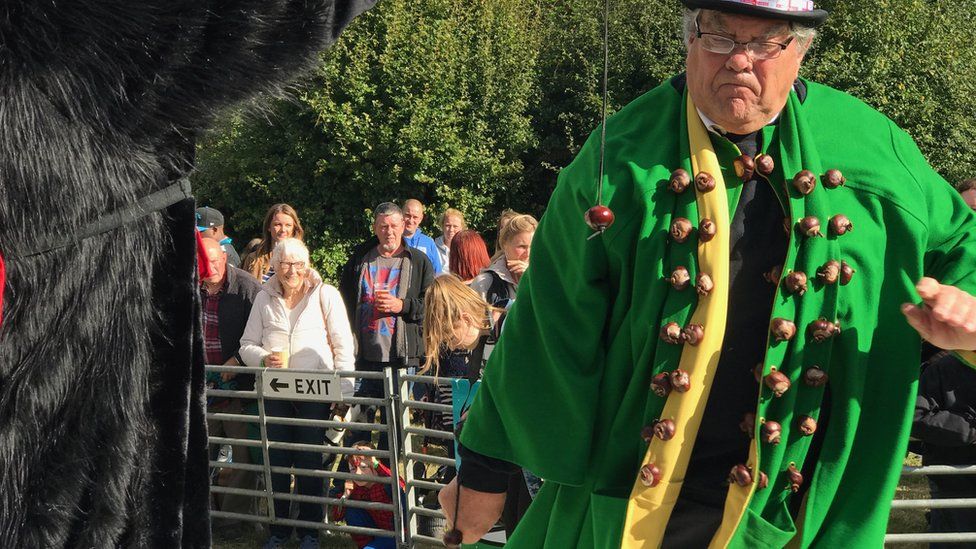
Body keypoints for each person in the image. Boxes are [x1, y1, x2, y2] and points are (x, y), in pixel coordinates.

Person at [440, 1, 976, 547]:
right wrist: (485, 472)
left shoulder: (873, 148)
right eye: (719, 35)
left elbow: (964, 244)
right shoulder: (620, 154)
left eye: (766, 42)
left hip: (808, 501)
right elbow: (549, 318)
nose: (740, 59)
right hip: (647, 496)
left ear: (801, 50)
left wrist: (969, 312)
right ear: (689, 39)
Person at [239, 238, 355, 549]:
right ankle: (278, 530)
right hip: (275, 391)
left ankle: (309, 531)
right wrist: (263, 358)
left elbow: (343, 344)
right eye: (286, 264)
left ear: (308, 264)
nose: (292, 270)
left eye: (299, 264)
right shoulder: (263, 298)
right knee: (276, 460)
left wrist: (344, 392)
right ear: (274, 266)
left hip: (315, 392)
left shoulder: (326, 295)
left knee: (309, 461)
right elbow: (246, 345)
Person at [338, 202, 435, 451]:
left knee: (394, 426)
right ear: (375, 228)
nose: (389, 232)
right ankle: (355, 473)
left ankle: (387, 472)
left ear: (403, 226)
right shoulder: (360, 258)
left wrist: (401, 305)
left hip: (401, 357)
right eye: (383, 226)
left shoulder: (418, 261)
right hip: (363, 357)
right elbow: (343, 300)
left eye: (393, 226)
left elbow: (431, 306)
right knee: (358, 423)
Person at [199, 237, 263, 536]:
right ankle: (204, 517)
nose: (209, 267)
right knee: (200, 455)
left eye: (214, 260)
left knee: (244, 458)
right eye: (203, 261)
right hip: (201, 390)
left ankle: (234, 522)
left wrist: (237, 360)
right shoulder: (188, 287)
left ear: (225, 258)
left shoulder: (247, 288)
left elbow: (261, 333)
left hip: (239, 387)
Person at [912, 351, 976, 547]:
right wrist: (971, 429)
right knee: (955, 539)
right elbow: (917, 417)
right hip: (954, 477)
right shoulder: (943, 368)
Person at [330, 441, 402, 549]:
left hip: (395, 534)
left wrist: (376, 464)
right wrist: (345, 496)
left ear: (374, 464)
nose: (358, 473)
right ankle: (365, 545)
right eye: (353, 469)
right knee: (351, 511)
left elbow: (401, 488)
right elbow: (337, 517)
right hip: (375, 529)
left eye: (363, 467)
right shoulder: (355, 486)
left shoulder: (386, 481)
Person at [469, 213, 536, 306]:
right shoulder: (484, 283)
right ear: (505, 245)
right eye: (521, 247)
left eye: (533, 246)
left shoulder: (545, 278)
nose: (528, 253)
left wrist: (531, 279)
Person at [242, 203, 305, 282]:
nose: (283, 230)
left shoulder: (301, 260)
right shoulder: (253, 260)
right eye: (277, 224)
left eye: (288, 225)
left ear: (294, 228)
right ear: (269, 227)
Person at [402, 198, 444, 274]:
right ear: (401, 214)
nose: (411, 220)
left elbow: (438, 273)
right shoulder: (393, 240)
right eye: (407, 215)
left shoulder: (428, 242)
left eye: (415, 217)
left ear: (420, 219)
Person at [434, 208, 466, 274]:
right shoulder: (433, 247)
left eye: (455, 226)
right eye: (448, 225)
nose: (451, 230)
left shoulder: (466, 248)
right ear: (442, 226)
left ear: (461, 228)